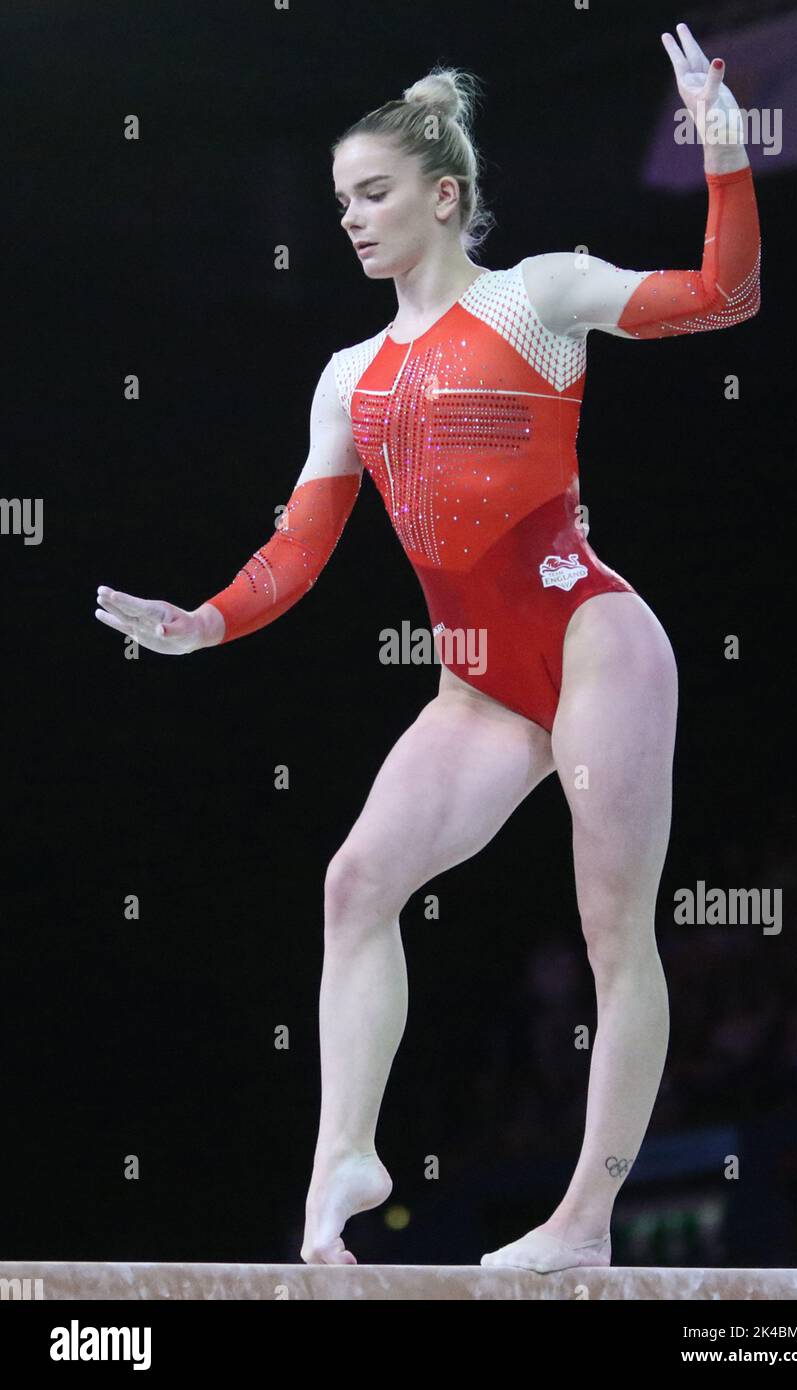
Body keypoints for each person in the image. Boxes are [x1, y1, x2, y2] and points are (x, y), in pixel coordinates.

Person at [95, 22, 760, 1273]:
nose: (349, 219)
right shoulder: (347, 378)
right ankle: (338, 1163)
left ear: (441, 196)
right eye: (340, 200)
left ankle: (581, 1219)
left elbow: (721, 297)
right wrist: (202, 622)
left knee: (611, 931)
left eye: (372, 194)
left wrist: (723, 156)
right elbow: (295, 552)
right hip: (476, 685)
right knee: (354, 884)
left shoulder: (538, 294)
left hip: (592, 643)